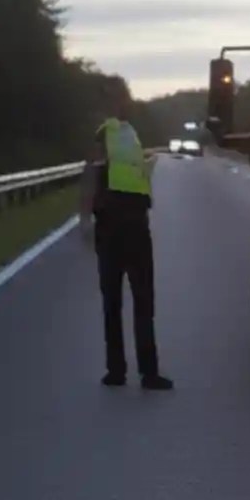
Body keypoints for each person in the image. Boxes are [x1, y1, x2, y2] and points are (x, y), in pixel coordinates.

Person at [79, 92, 173, 390]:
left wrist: (84, 218)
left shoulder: (112, 137)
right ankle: (147, 372)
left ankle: (117, 371)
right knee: (141, 301)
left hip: (112, 228)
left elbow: (91, 178)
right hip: (132, 227)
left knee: (114, 302)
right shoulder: (125, 138)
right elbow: (101, 177)